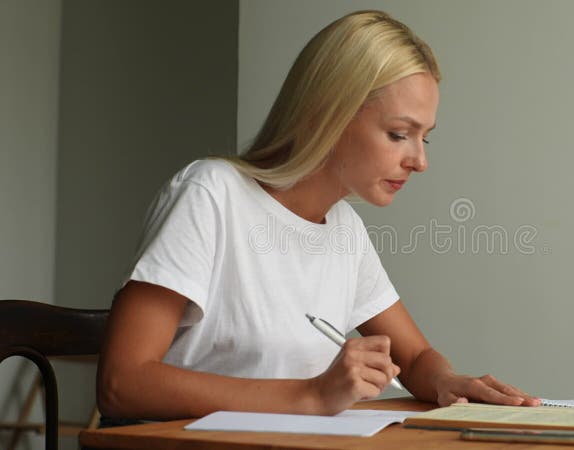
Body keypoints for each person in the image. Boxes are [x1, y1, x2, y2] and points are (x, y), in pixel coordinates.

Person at [97, 10, 539, 421]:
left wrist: (446, 382)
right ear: (329, 113)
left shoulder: (344, 228)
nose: (419, 161)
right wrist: (311, 396)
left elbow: (416, 358)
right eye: (399, 134)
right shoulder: (211, 194)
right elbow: (122, 382)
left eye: (426, 138)